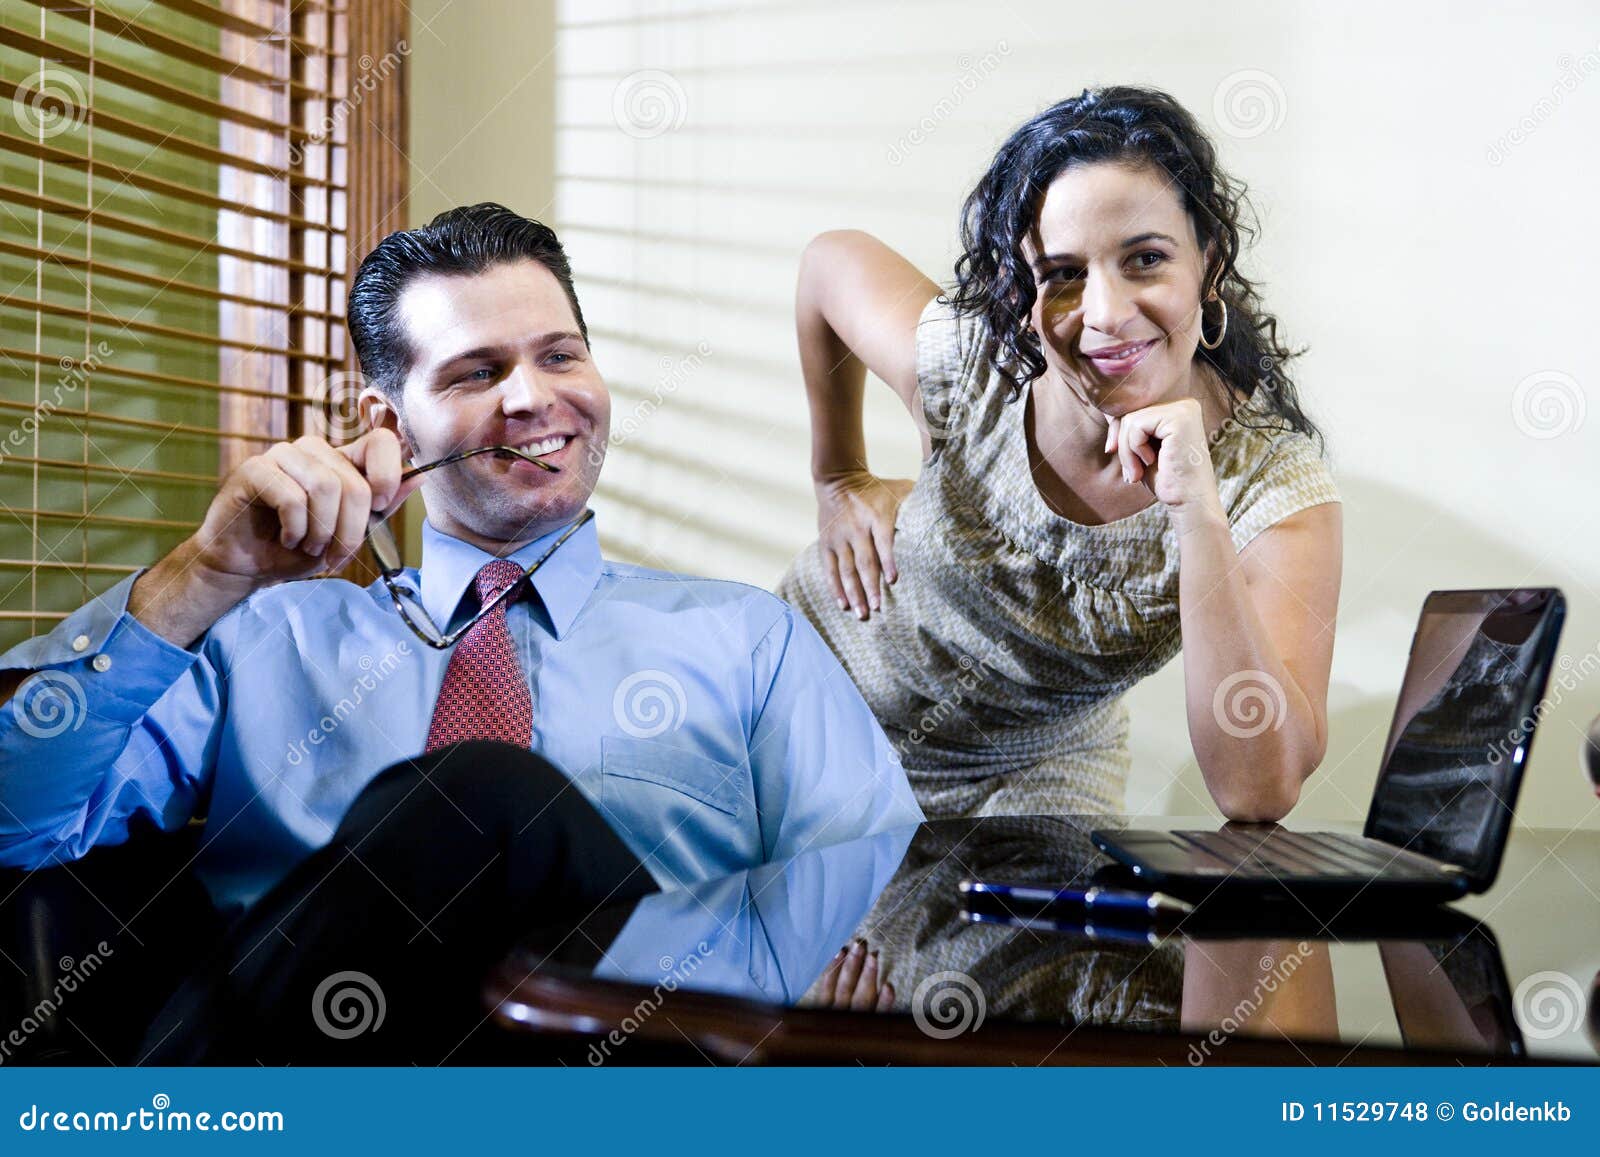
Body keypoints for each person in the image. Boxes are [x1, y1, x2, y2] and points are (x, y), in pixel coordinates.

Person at [0, 202, 921, 931]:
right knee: (474, 791)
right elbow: (17, 822)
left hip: (633, 1081)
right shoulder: (262, 640)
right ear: (389, 426)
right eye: (477, 373)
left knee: (494, 794)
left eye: (560, 355)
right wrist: (201, 574)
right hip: (313, 1074)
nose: (533, 397)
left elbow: (879, 912)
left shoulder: (748, 642)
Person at [777, 85, 1343, 823]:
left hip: (1031, 773)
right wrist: (839, 475)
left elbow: (1257, 790)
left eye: (1145, 259)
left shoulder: (1273, 486)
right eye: (1064, 275)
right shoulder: (976, 369)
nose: (1105, 314)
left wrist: (1197, 513)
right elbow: (829, 264)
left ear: (1207, 263)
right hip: (816, 706)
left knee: (1089, 935)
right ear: (1023, 288)